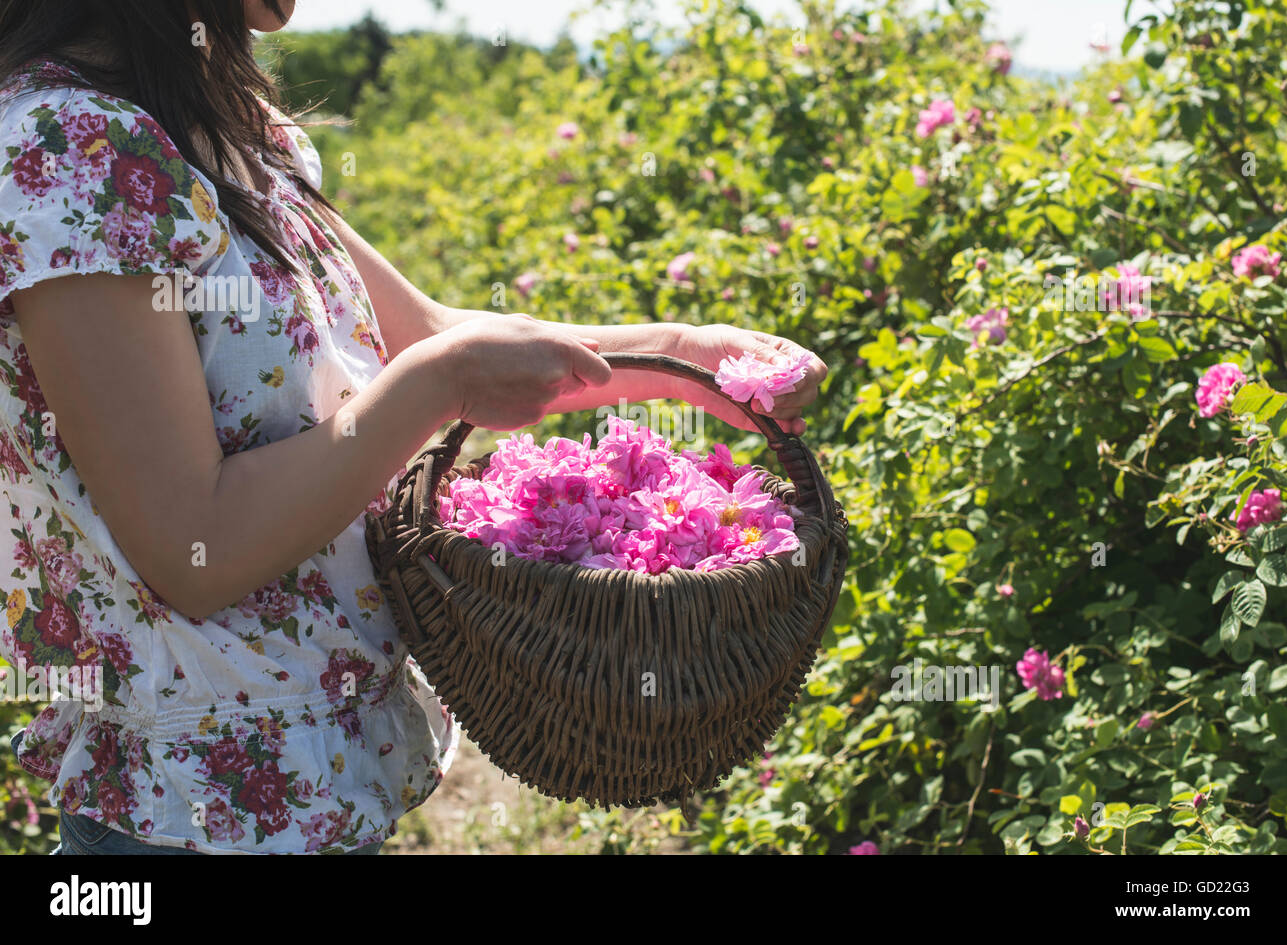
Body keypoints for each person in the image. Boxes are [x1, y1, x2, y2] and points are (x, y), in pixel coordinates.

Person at [0, 0, 826, 854]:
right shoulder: (70, 152)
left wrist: (683, 356)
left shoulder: (214, 120)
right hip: (190, 812)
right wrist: (441, 386)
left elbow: (424, 331)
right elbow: (192, 547)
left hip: (317, 782)